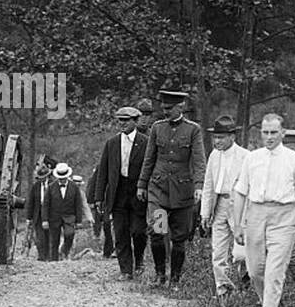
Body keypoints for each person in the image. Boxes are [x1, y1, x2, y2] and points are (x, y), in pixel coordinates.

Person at [231, 114, 295, 307]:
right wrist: (238, 224)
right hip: (256, 214)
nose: (269, 137)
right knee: (255, 270)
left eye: (274, 132)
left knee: (275, 270)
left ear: (283, 133)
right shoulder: (252, 158)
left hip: (285, 216)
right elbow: (240, 192)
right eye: (265, 132)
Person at [137, 87, 206, 288]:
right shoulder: (157, 128)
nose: (166, 111)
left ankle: (174, 278)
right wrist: (142, 184)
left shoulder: (193, 130)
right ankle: (160, 275)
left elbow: (199, 161)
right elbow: (149, 159)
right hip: (158, 191)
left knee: (179, 238)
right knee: (157, 233)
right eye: (164, 107)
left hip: (182, 193)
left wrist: (199, 185)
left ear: (181, 106)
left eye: (170, 108)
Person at [95, 106, 149, 279]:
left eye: (126, 120)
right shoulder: (111, 143)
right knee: (120, 232)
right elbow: (103, 171)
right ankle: (126, 270)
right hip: (117, 194)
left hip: (138, 193)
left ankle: (139, 260)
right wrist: (99, 197)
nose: (123, 124)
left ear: (135, 121)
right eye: (120, 120)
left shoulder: (146, 142)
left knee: (138, 231)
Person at [200, 115, 248, 300]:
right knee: (218, 252)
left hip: (239, 206)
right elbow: (208, 185)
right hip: (219, 205)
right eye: (215, 137)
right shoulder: (214, 156)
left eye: (221, 137)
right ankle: (224, 290)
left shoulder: (245, 156)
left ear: (232, 137)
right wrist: (205, 213)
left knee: (241, 254)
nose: (217, 141)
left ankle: (246, 285)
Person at [44, 163, 88, 260]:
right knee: (54, 240)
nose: (62, 179)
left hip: (69, 216)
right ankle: (54, 260)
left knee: (70, 234)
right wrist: (45, 220)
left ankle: (64, 251)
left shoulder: (74, 187)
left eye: (64, 177)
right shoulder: (51, 187)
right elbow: (46, 205)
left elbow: (78, 205)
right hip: (54, 217)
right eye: (60, 178)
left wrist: (79, 221)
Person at [24, 163, 52, 261]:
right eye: (40, 178)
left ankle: (50, 256)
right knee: (40, 237)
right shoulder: (35, 186)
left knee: (50, 235)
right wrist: (29, 218)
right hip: (38, 214)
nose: (42, 179)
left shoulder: (53, 184)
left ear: (48, 176)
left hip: (51, 214)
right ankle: (41, 256)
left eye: (44, 177)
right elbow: (31, 202)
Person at [85, 166, 115, 258]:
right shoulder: (101, 168)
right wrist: (92, 201)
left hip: (116, 200)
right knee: (106, 225)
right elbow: (92, 184)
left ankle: (114, 249)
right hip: (105, 202)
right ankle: (108, 250)